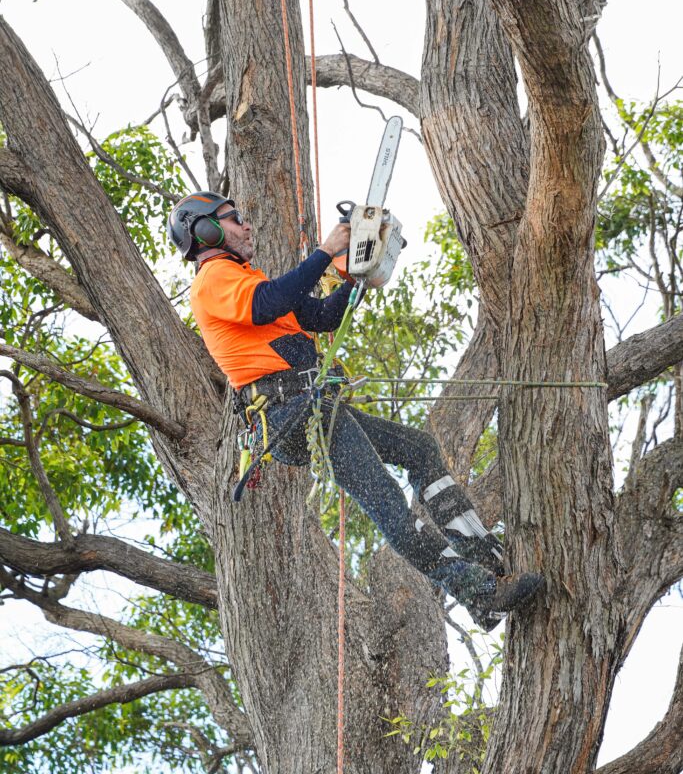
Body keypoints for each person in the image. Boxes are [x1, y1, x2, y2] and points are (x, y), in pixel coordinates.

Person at [168, 192, 544, 630]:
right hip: (291, 413)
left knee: (419, 450)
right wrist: (326, 251)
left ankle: (488, 558)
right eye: (234, 220)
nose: (247, 226)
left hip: (312, 408)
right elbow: (269, 301)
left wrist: (360, 274)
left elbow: (324, 315)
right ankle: (479, 594)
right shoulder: (213, 278)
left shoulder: (246, 280)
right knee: (388, 503)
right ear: (206, 231)